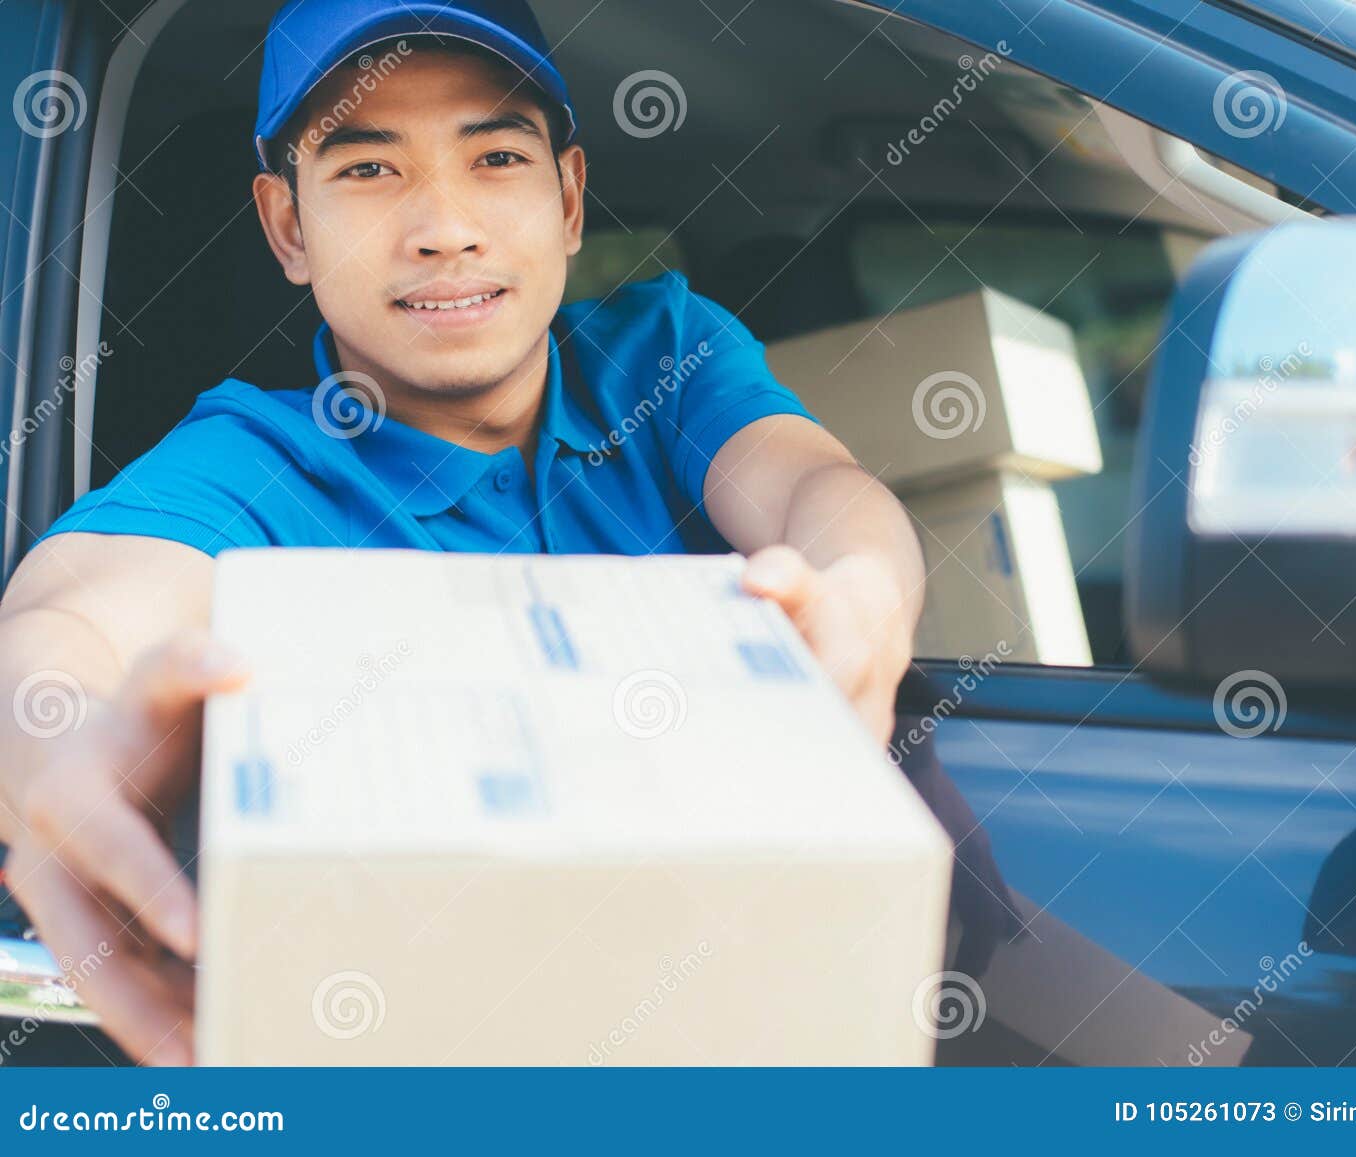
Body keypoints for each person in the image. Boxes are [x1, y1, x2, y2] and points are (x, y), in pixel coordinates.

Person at [0, 0, 929, 1065]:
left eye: (495, 157)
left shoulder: (661, 358)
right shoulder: (256, 464)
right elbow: (69, 617)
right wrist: (53, 740)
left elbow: (814, 485)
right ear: (289, 227)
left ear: (568, 198)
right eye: (368, 168)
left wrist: (862, 586)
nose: (445, 227)